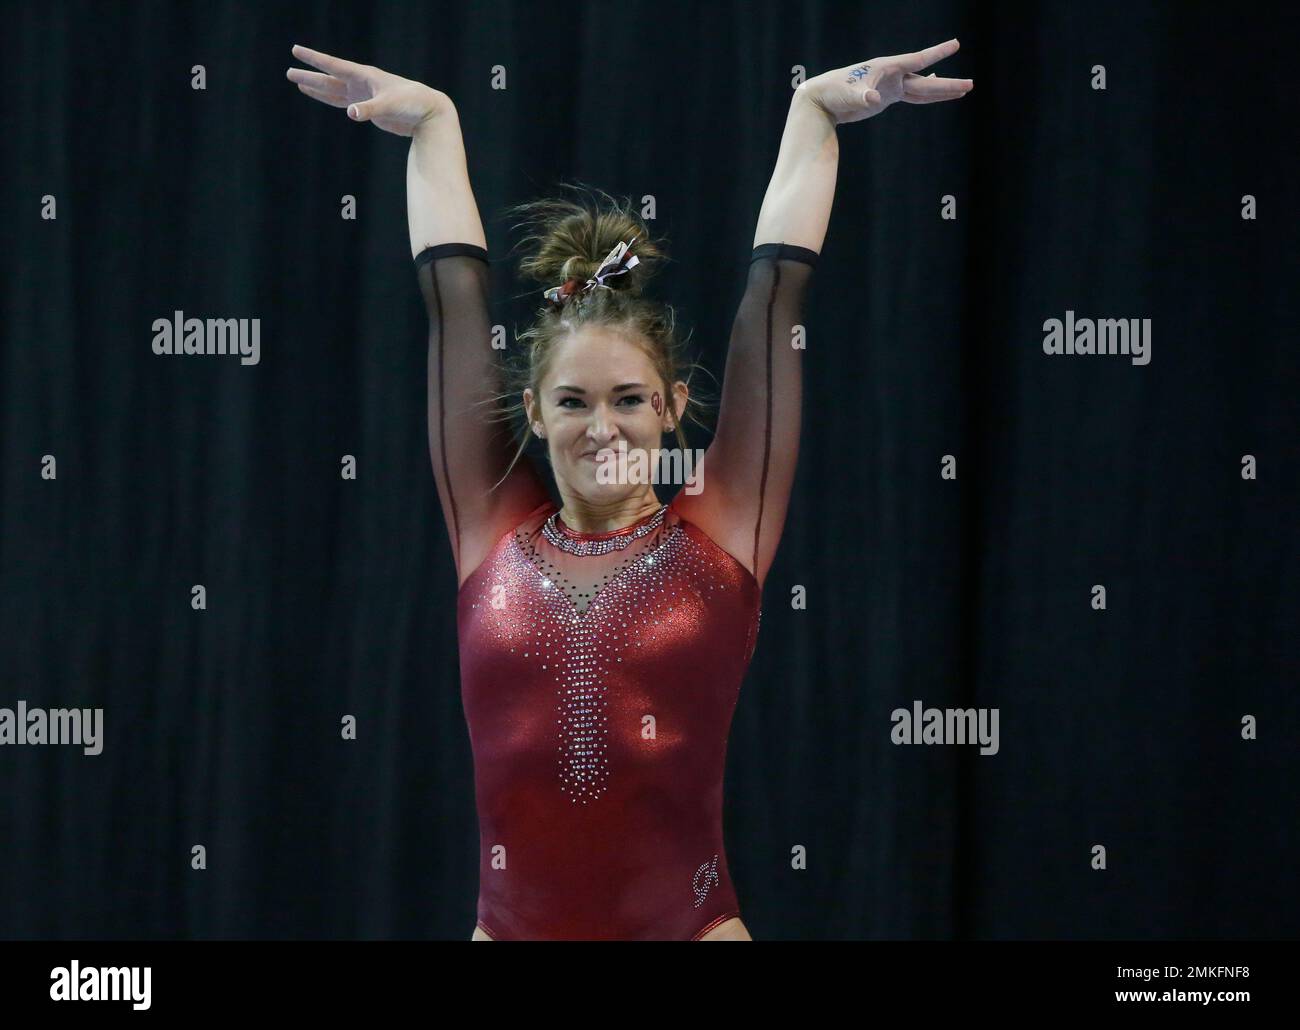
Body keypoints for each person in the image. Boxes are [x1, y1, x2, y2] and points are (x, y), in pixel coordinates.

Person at [287, 38, 971, 941]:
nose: (601, 427)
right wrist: (435, 129)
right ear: (531, 409)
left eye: (628, 401)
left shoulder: (722, 531)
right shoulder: (492, 530)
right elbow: (454, 306)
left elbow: (774, 302)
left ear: (672, 408)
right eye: (572, 401)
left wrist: (813, 115)